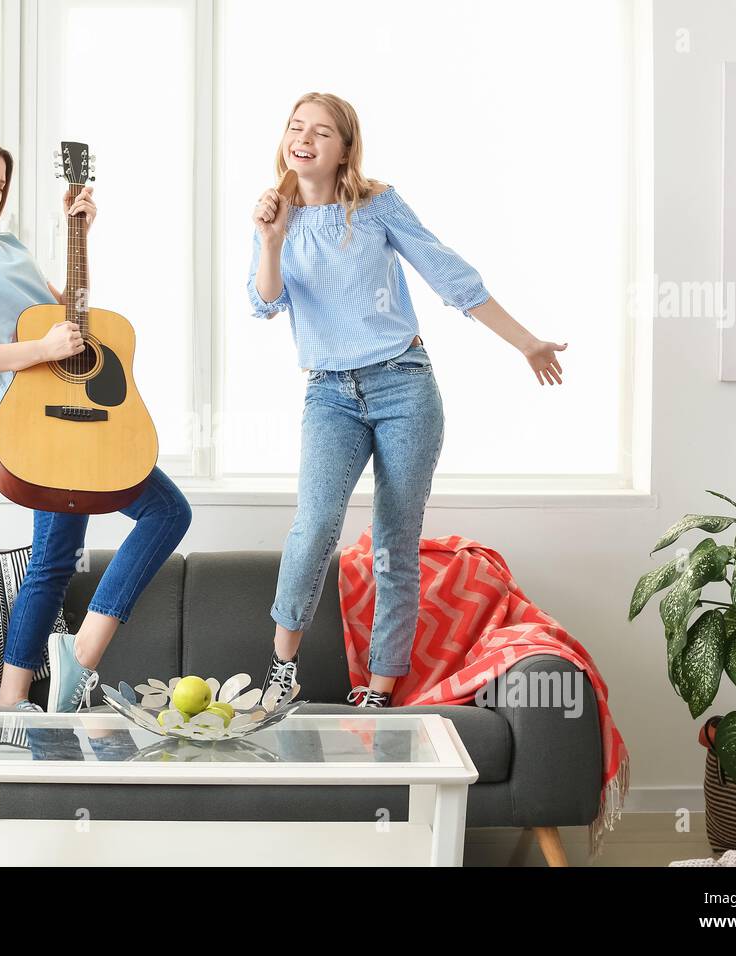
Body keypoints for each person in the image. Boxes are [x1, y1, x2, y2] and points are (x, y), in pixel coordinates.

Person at [248, 93, 567, 708]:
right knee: (314, 526)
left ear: (344, 148)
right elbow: (265, 302)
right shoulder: (275, 215)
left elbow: (449, 274)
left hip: (404, 385)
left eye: (320, 131)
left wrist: (525, 342)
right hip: (329, 393)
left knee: (396, 541)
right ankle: (281, 669)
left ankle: (382, 685)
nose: (303, 138)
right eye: (295, 127)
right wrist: (268, 239)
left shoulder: (376, 206)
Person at [0, 132, 191, 714]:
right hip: (29, 427)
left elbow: (70, 318)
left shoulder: (8, 245)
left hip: (78, 414)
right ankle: (51, 677)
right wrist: (38, 351)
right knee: (74, 551)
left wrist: (81, 237)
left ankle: (28, 691)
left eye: (2, 186)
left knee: (71, 553)